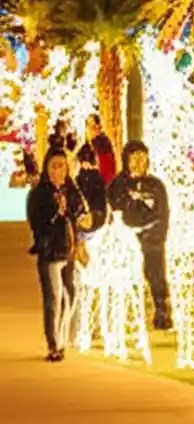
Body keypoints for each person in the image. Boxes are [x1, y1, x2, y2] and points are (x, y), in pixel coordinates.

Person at [26, 148, 89, 362]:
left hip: (69, 250)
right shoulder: (39, 194)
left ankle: (62, 338)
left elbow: (82, 214)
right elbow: (37, 223)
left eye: (62, 165)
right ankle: (54, 344)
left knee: (70, 296)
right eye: (54, 166)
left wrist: (82, 223)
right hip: (50, 251)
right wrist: (56, 214)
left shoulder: (72, 191)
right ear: (46, 168)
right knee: (54, 297)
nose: (58, 170)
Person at [107, 140, 171, 330]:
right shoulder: (118, 185)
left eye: (142, 158)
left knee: (155, 267)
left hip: (150, 237)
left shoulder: (156, 185)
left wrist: (155, 235)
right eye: (134, 158)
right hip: (125, 236)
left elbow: (163, 214)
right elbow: (112, 210)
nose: (138, 163)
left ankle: (161, 308)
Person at [75, 145, 109, 234]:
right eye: (86, 221)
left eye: (82, 221)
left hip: (85, 170)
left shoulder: (81, 209)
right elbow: (99, 187)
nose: (83, 218)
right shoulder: (97, 206)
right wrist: (91, 169)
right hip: (92, 168)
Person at [82, 113, 117, 185]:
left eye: (99, 128)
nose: (96, 131)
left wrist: (91, 167)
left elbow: (107, 170)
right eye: (93, 127)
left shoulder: (104, 142)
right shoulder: (84, 145)